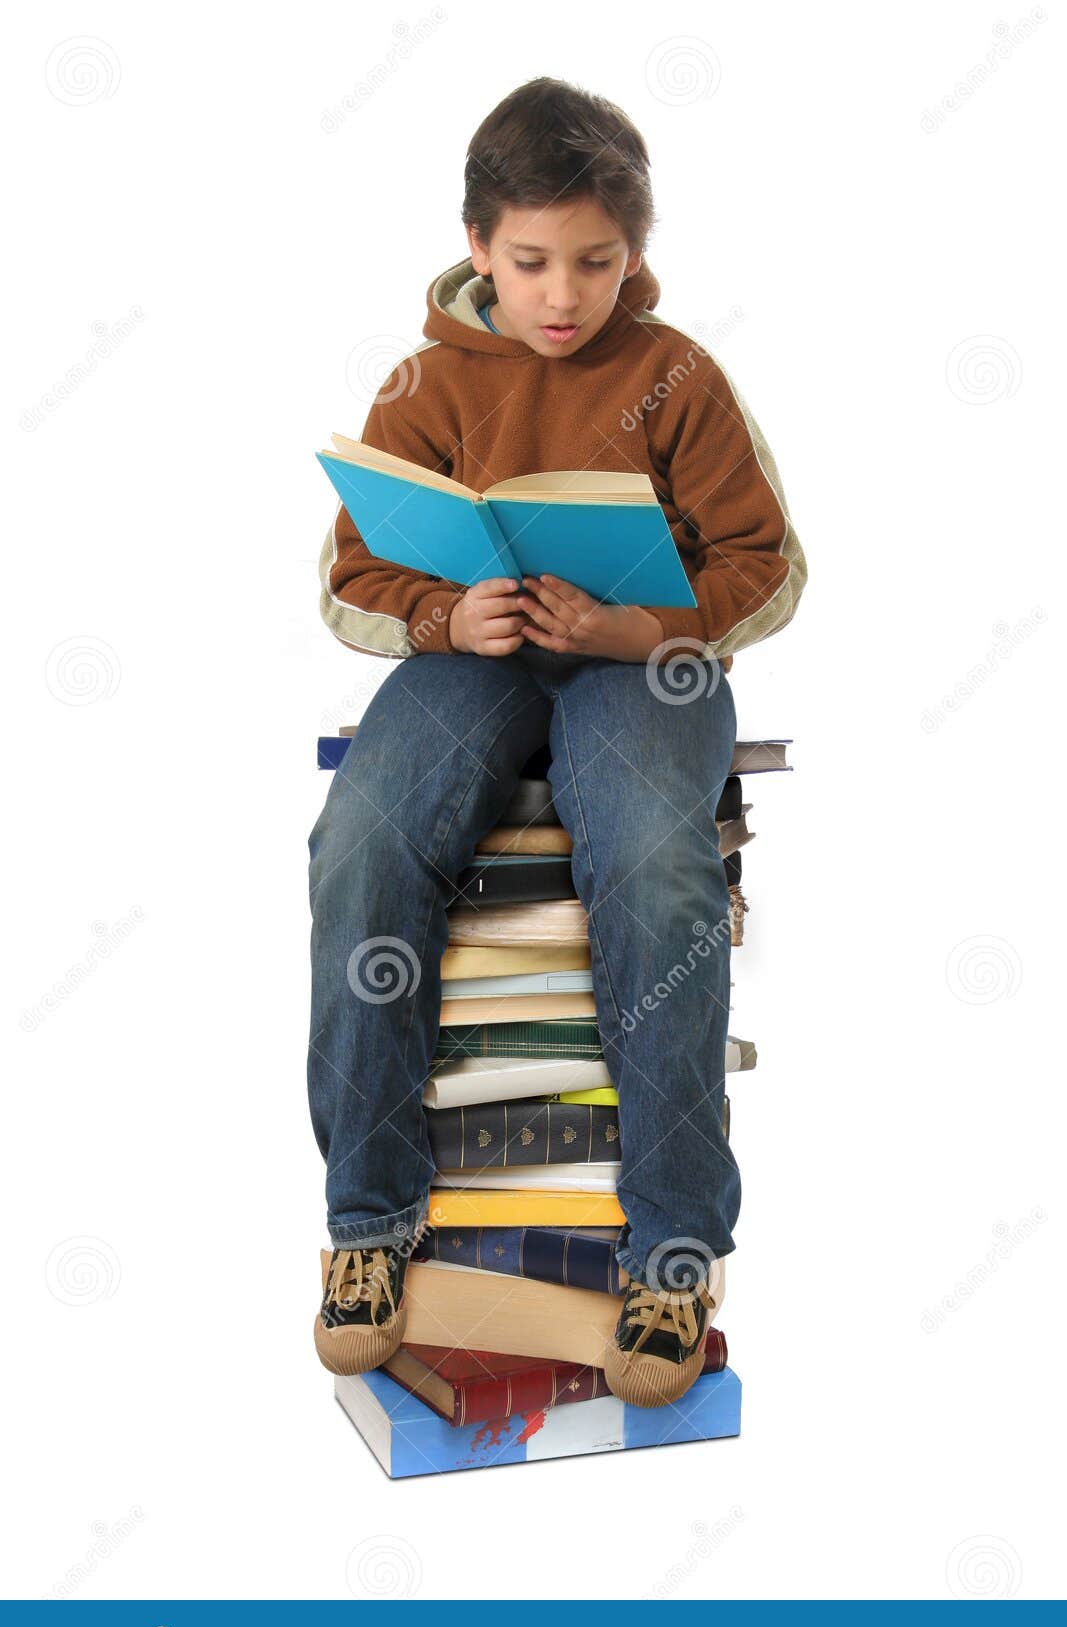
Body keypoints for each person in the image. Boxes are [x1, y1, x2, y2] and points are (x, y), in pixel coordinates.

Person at [307, 76, 806, 1407]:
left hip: (639, 658)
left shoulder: (678, 374)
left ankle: (674, 1249)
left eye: (596, 260)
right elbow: (352, 571)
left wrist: (636, 622)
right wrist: (441, 612)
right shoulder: (423, 377)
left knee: (652, 862)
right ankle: (368, 1225)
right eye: (530, 262)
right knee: (359, 841)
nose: (563, 292)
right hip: (478, 656)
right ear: (479, 248)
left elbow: (769, 568)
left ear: (636, 252)